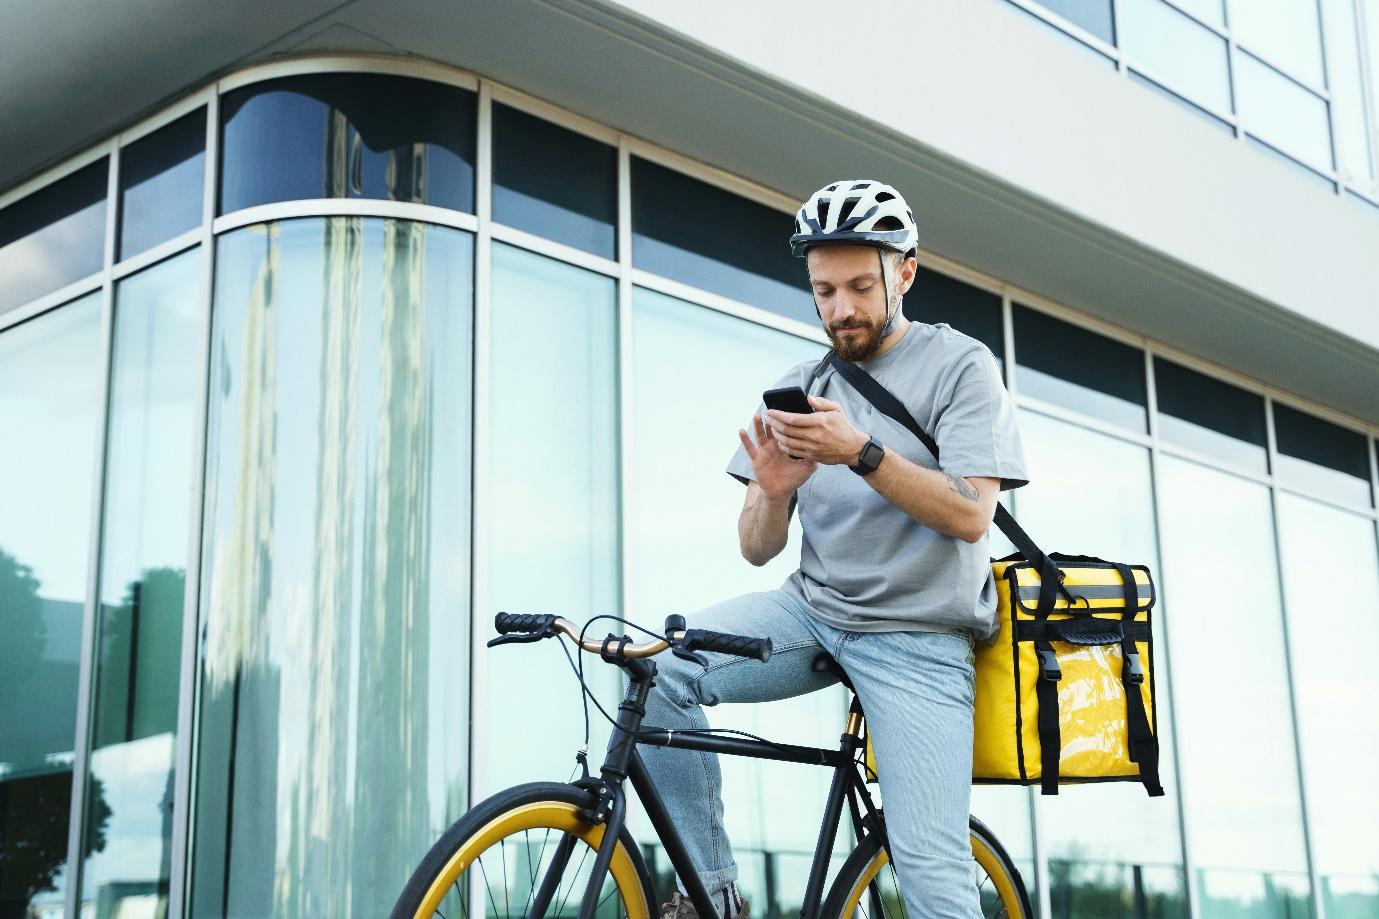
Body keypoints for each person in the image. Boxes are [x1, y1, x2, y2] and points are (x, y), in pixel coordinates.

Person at [642, 180, 1029, 919]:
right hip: (811, 612)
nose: (840, 308)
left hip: (917, 635)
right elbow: (757, 549)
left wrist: (861, 451)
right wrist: (774, 489)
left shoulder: (961, 366)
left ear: (904, 271)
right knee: (662, 668)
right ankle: (712, 895)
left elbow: (971, 515)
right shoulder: (798, 385)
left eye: (859, 285)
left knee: (933, 879)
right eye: (823, 290)